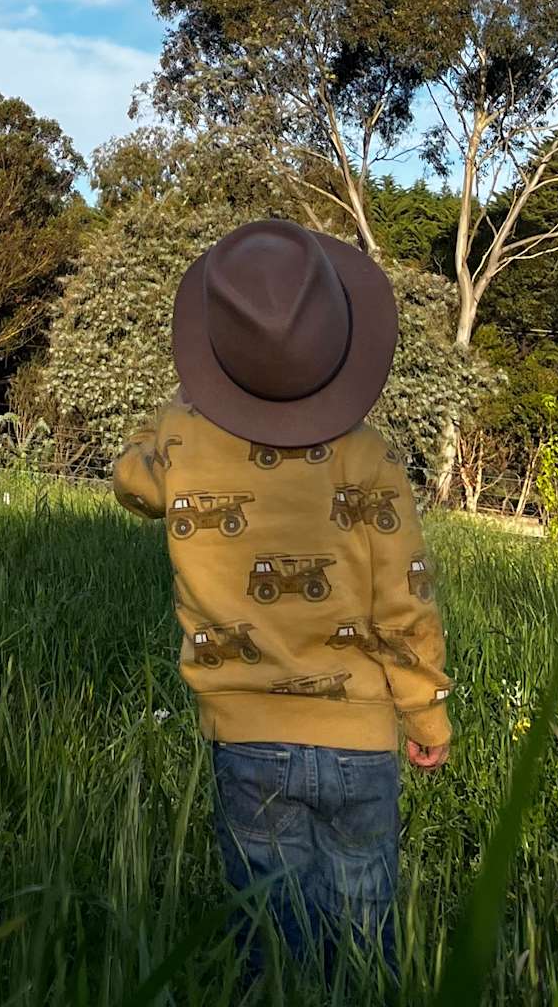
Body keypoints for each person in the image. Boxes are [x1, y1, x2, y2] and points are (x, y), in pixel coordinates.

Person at [112, 217, 452, 992]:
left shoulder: (182, 440)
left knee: (266, 927)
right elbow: (404, 604)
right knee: (362, 925)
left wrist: (176, 411)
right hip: (362, 741)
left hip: (246, 738)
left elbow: (131, 482)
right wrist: (426, 715)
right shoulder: (371, 458)